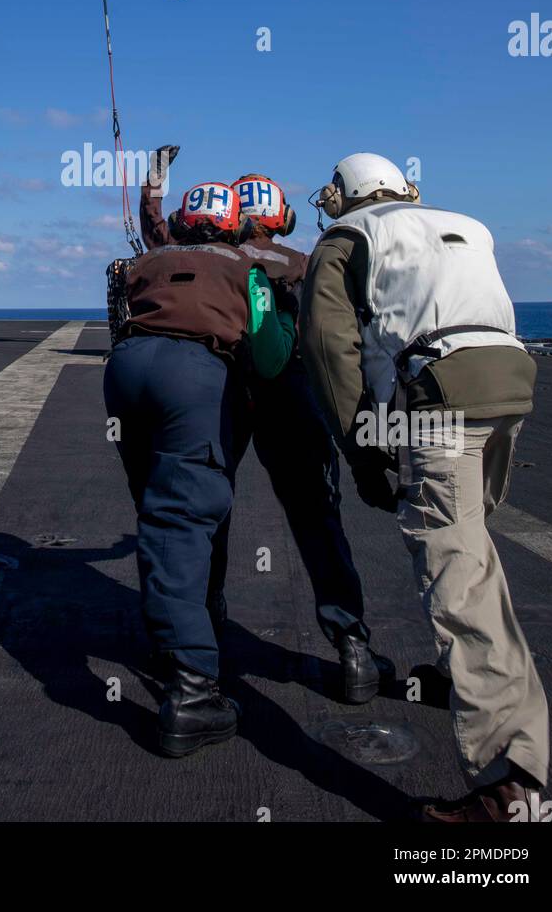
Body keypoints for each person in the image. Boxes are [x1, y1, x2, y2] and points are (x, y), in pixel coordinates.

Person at [299, 152, 549, 823]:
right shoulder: (465, 223)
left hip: (441, 398)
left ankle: (507, 788)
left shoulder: (346, 239)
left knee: (457, 576)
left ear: (340, 195)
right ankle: (460, 677)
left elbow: (327, 348)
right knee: (474, 550)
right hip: (510, 386)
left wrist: (361, 451)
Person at [141, 148, 393, 703]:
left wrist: (153, 187)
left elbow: (159, 238)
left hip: (223, 391)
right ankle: (352, 649)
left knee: (206, 511)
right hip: (291, 395)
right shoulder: (303, 262)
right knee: (316, 517)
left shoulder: (217, 257)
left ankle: (201, 633)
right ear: (282, 216)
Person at [104, 179, 296, 757]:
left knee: (155, 510)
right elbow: (269, 356)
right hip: (193, 379)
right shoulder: (248, 267)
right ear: (238, 223)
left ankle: (172, 634)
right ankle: (191, 692)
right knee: (183, 520)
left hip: (125, 371)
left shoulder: (150, 260)